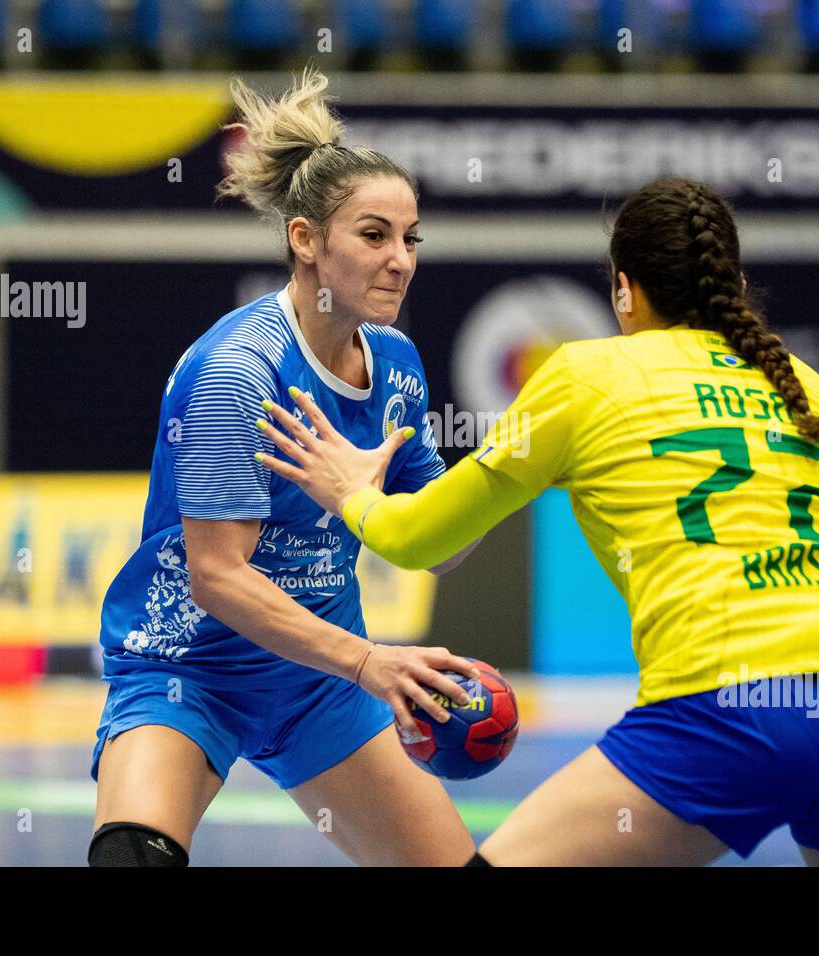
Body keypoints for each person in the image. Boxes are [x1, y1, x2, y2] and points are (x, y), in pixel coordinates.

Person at [254, 177, 819, 866]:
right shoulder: (814, 391)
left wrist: (352, 492)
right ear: (734, 284)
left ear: (623, 290)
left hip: (733, 701)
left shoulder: (586, 376)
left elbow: (418, 538)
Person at [88, 66, 482, 867]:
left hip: (317, 682)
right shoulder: (242, 373)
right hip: (191, 664)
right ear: (305, 240)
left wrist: (502, 479)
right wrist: (371, 660)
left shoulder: (398, 366)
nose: (400, 259)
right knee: (132, 856)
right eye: (374, 236)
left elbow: (441, 545)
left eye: (411, 239)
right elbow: (218, 577)